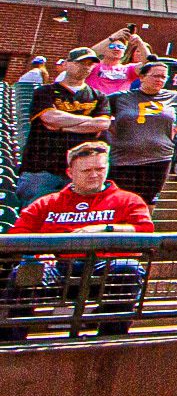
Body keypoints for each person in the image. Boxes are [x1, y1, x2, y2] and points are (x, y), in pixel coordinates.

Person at [7, 142, 153, 337]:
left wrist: (105, 228)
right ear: (70, 173)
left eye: (100, 169)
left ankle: (110, 339)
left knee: (129, 268)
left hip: (105, 265)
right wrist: (40, 253)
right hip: (57, 267)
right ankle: (11, 341)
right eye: (86, 170)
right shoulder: (47, 202)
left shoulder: (128, 200)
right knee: (26, 271)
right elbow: (17, 235)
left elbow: (144, 230)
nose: (94, 175)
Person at [106, 61, 177, 205]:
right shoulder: (120, 97)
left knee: (149, 201)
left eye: (163, 77)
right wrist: (112, 127)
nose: (159, 80)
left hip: (159, 157)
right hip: (124, 157)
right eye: (155, 76)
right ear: (142, 77)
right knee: (120, 200)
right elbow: (100, 113)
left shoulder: (175, 97)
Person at [17, 48, 113, 203]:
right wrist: (89, 122)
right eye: (81, 62)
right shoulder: (45, 91)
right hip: (41, 168)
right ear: (67, 64)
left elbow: (102, 123)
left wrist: (63, 126)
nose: (86, 67)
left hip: (80, 172)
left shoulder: (99, 96)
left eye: (90, 64)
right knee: (34, 214)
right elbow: (51, 117)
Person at [85, 29, 149, 97]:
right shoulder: (94, 66)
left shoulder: (128, 69)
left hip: (119, 102)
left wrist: (140, 43)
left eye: (121, 47)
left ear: (124, 52)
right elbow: (89, 53)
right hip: (96, 100)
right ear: (103, 50)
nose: (116, 49)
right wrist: (111, 38)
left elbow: (149, 62)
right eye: (112, 46)